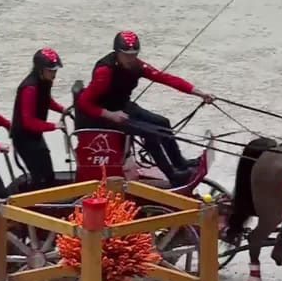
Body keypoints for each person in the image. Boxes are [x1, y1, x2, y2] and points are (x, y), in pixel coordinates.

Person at [75, 30, 216, 186]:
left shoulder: (137, 65)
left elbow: (165, 78)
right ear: (117, 52)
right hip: (102, 116)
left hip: (123, 106)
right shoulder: (105, 71)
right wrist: (110, 115)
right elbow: (83, 103)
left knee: (163, 122)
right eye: (126, 55)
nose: (131, 58)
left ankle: (179, 163)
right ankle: (172, 175)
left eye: (134, 54)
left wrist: (200, 93)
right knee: (150, 132)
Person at [10, 47, 68, 190]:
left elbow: (45, 100)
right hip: (23, 137)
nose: (54, 74)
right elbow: (28, 121)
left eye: (55, 71)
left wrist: (62, 109)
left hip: (35, 135)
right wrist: (53, 126)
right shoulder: (29, 88)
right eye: (51, 71)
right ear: (40, 69)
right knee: (38, 175)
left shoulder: (45, 81)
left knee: (48, 173)